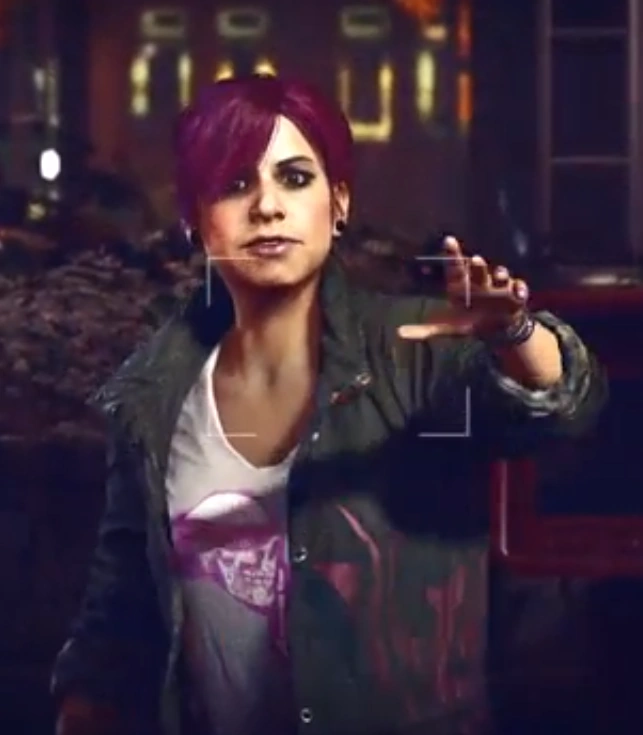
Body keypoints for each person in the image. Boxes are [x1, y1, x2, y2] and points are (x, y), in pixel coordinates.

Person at [52, 74, 606, 735]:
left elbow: (563, 410)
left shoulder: (415, 347)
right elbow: (120, 602)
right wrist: (82, 705)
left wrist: (514, 332)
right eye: (234, 184)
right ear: (194, 220)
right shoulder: (153, 393)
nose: (267, 206)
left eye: (294, 178)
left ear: (338, 202)